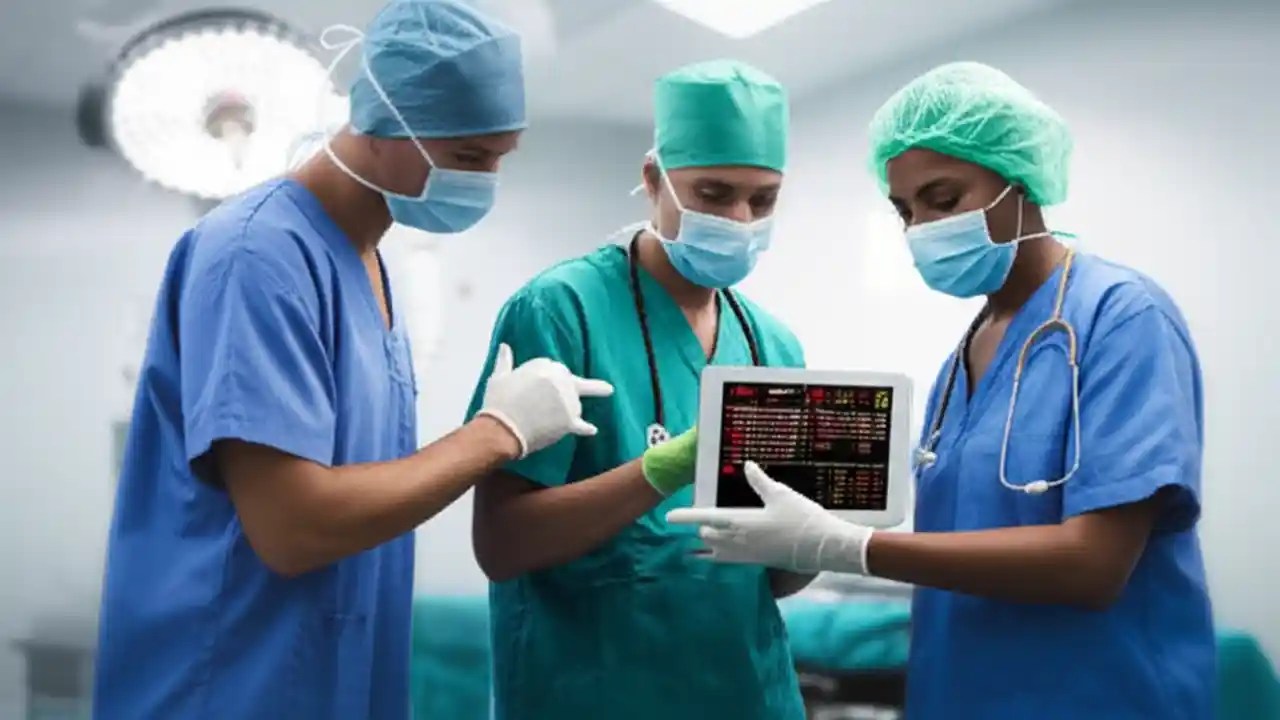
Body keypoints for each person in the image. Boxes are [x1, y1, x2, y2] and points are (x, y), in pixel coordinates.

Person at [93, 2, 613, 718]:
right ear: (380, 121)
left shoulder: (372, 267)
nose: (487, 180)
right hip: (224, 688)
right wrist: (496, 434)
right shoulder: (257, 254)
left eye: (500, 156)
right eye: (468, 157)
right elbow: (294, 527)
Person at [669, 61, 1216, 719]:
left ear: (1020, 180)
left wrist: (849, 547)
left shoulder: (1123, 317)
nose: (920, 228)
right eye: (904, 210)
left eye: (943, 198)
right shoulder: (971, 350)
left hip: (1100, 698)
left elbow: (1093, 565)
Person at [464, 59, 813, 720]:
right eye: (713, 194)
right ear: (653, 180)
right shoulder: (559, 310)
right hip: (592, 694)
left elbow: (776, 579)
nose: (740, 219)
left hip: (747, 695)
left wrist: (828, 530)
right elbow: (502, 546)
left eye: (761, 200)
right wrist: (663, 468)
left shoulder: (774, 346)